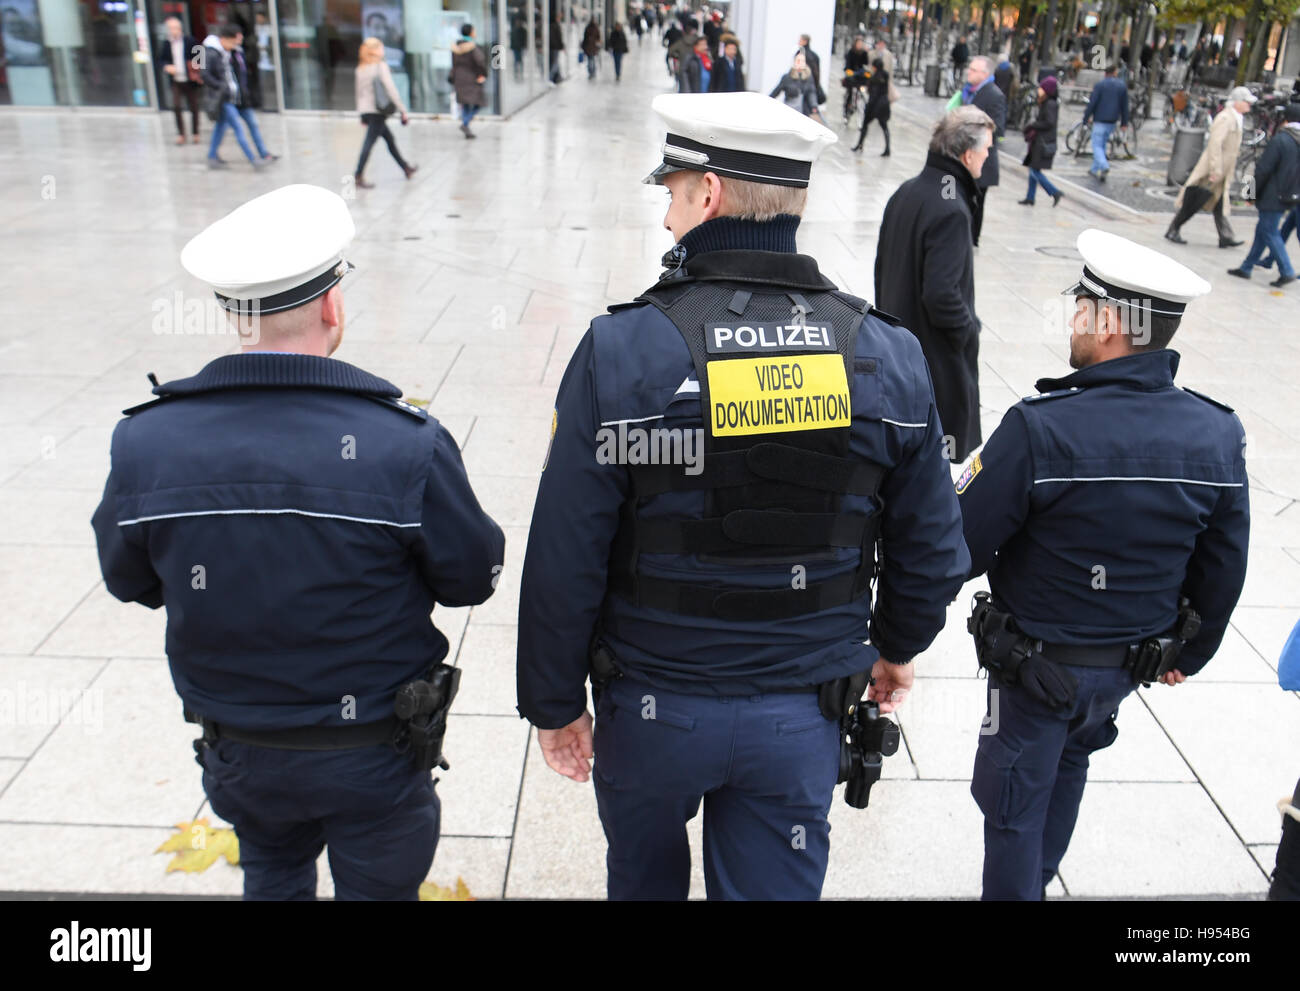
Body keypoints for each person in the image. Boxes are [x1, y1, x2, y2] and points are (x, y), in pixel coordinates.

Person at [516, 90, 970, 901]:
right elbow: (934, 552)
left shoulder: (622, 350)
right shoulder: (889, 356)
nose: (666, 218)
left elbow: (564, 552)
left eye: (673, 193)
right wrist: (895, 645)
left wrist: (554, 702)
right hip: (802, 717)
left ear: (711, 195)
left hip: (652, 710)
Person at [91, 184, 506, 900]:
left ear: (232, 312)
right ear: (331, 305)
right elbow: (471, 576)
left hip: (242, 755)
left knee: (273, 874)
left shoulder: (146, 440)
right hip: (374, 756)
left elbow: (129, 579)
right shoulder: (402, 443)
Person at [960, 228, 1248, 901]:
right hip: (1124, 668)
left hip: (1033, 670)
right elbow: (1224, 565)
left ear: (1112, 322)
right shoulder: (1218, 432)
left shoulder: (1041, 426)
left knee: (1010, 810)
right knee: (1071, 762)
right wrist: (1190, 653)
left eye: (1082, 306)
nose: (1074, 318)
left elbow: (961, 543)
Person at [875, 106, 994, 465]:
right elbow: (942, 296)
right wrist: (968, 330)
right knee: (934, 468)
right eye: (987, 149)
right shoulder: (952, 210)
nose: (988, 157)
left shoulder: (907, 191)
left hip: (899, 352)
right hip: (934, 364)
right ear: (968, 154)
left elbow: (882, 268)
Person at [1165, 86, 1254, 247]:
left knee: (1219, 202)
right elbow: (1215, 144)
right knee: (1195, 200)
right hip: (1215, 169)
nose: (1249, 105)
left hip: (1223, 169)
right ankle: (1174, 228)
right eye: (1247, 102)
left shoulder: (1235, 118)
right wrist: (1215, 169)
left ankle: (1225, 235)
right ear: (1237, 102)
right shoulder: (1226, 118)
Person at [1228, 102, 1300, 288]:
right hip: (1291, 194)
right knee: (1263, 230)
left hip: (1272, 194)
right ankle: (1247, 266)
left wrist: (1249, 194)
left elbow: (1261, 170)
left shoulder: (1281, 139)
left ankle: (1286, 271)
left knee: (1269, 231)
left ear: (1285, 120)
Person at [201, 25, 277, 170]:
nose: (235, 43)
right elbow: (204, 75)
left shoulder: (231, 52)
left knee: (222, 127)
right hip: (223, 98)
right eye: (233, 40)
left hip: (236, 96)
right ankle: (253, 159)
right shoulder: (207, 51)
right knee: (237, 127)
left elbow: (236, 75)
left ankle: (212, 156)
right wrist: (222, 87)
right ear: (224, 39)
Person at [353, 37, 416, 187]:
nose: (383, 50)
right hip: (377, 111)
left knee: (390, 140)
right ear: (374, 50)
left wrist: (361, 114)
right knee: (368, 143)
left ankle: (406, 168)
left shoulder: (360, 68)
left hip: (367, 110)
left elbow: (358, 92)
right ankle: (358, 175)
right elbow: (390, 89)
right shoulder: (380, 66)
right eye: (380, 47)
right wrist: (402, 109)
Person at [964, 56, 1006, 245]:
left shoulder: (994, 94)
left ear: (984, 74)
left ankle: (973, 239)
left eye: (973, 70)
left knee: (976, 203)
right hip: (966, 156)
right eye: (969, 69)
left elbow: (998, 128)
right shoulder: (967, 91)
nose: (968, 72)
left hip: (982, 160)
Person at [1018, 75, 1062, 207]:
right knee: (1033, 169)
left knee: (1034, 171)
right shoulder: (1046, 102)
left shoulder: (1050, 104)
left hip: (1043, 142)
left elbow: (1049, 122)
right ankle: (1030, 197)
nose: (1038, 90)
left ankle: (1054, 191)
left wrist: (1033, 125)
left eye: (1041, 88)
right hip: (1039, 141)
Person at [156, 16, 201, 146]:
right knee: (176, 106)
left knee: (194, 107)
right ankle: (181, 134)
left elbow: (200, 54)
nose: (173, 31)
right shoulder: (166, 44)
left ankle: (195, 132)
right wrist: (166, 67)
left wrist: (196, 67)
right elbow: (160, 60)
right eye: (170, 28)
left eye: (175, 28)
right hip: (176, 79)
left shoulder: (190, 41)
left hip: (190, 79)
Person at [1081, 63, 1129, 181]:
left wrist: (1086, 118)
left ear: (1105, 73)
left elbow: (1092, 103)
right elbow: (1125, 106)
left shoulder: (1100, 85)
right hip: (1112, 120)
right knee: (1101, 145)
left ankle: (1104, 165)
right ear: (1115, 73)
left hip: (1100, 119)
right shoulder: (1122, 86)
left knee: (1096, 145)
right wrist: (1124, 123)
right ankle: (1094, 169)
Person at [451, 23, 488, 137]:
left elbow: (454, 63)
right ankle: (465, 123)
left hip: (459, 78)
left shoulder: (456, 47)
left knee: (466, 104)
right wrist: (483, 74)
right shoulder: (473, 47)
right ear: (471, 32)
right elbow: (480, 62)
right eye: (474, 30)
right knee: (478, 103)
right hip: (471, 78)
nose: (475, 32)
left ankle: (466, 128)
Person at [850, 57, 891, 156]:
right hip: (884, 104)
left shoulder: (874, 78)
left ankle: (860, 145)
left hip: (875, 106)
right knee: (884, 127)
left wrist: (868, 106)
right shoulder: (885, 75)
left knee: (865, 125)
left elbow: (874, 94)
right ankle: (887, 148)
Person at [770, 51, 821, 121]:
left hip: (803, 113)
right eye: (798, 60)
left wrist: (814, 105)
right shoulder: (787, 77)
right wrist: (768, 100)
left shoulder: (808, 77)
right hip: (789, 111)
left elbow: (811, 92)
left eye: (802, 61)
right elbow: (776, 91)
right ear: (794, 62)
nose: (800, 63)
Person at [843, 35, 870, 119]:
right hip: (852, 76)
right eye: (858, 43)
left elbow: (866, 64)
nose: (859, 45)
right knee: (850, 93)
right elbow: (848, 65)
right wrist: (849, 71)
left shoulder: (864, 53)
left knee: (862, 90)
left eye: (861, 43)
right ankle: (846, 109)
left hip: (860, 77)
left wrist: (866, 72)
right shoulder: (851, 52)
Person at [797, 33, 826, 107]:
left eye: (800, 40)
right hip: (812, 86)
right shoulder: (814, 55)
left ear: (805, 41)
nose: (798, 41)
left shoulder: (800, 54)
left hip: (802, 87)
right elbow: (817, 74)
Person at [510, 14, 527, 80]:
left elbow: (525, 39)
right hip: (515, 48)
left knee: (520, 61)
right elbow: (512, 39)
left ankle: (521, 74)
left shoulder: (523, 30)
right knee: (516, 61)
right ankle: (516, 74)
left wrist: (524, 46)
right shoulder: (514, 30)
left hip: (521, 47)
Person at [549, 15, 565, 85]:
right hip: (554, 47)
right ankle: (550, 77)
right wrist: (560, 46)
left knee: (556, 62)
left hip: (555, 47)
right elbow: (557, 38)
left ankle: (558, 76)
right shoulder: (554, 26)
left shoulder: (555, 26)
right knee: (555, 63)